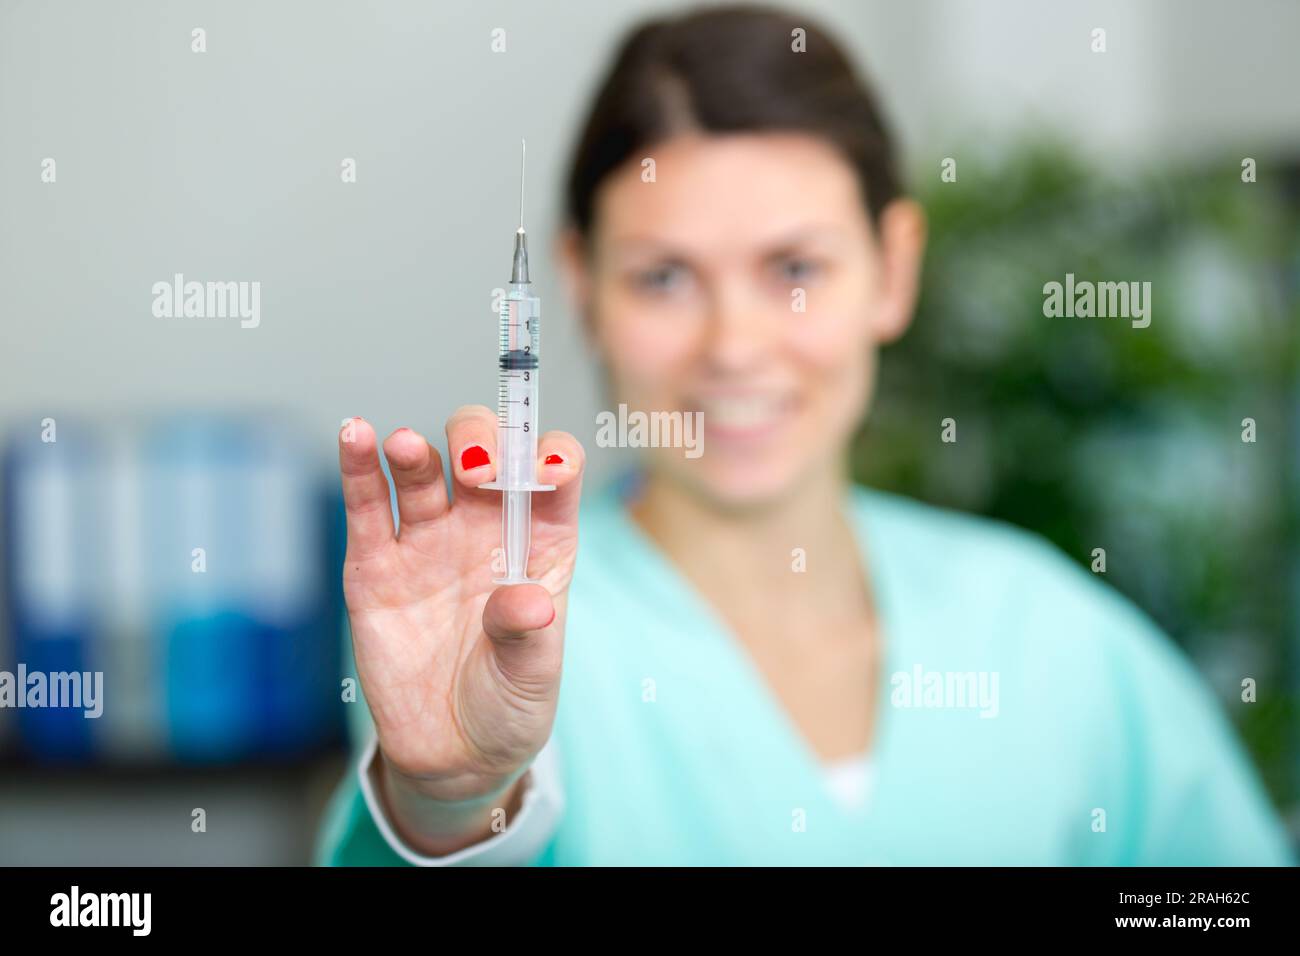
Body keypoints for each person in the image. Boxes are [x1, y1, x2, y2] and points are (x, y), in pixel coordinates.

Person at [314, 5, 1293, 865]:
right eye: (663, 275)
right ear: (579, 284)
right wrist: (451, 802)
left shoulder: (1050, 633)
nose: (734, 347)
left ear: (892, 268)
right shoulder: (495, 629)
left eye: (794, 267)